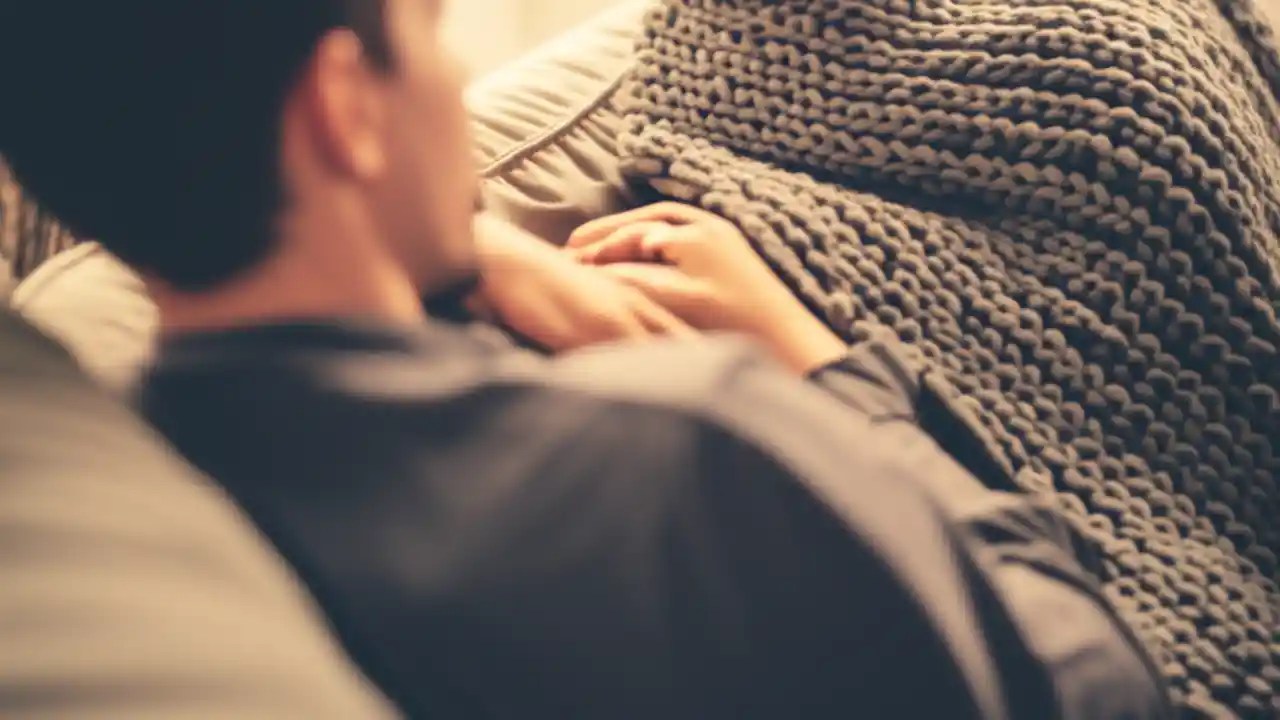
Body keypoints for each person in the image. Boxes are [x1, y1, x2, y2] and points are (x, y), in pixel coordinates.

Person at [0, 1, 1170, 717]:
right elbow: (1100, 685)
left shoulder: (139, 490)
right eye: (426, 26)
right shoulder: (685, 448)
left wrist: (450, 259)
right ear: (341, 108)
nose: (456, 80)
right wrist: (818, 367)